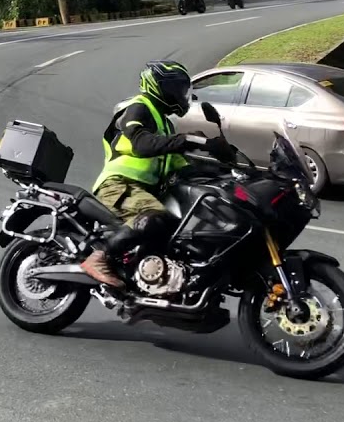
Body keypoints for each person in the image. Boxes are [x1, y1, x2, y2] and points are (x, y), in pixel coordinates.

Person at [80, 60, 234, 288]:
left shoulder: (165, 126)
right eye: (178, 89)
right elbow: (142, 143)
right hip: (119, 186)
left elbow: (182, 167)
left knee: (178, 229)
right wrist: (193, 140)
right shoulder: (138, 107)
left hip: (141, 190)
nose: (182, 95)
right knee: (154, 217)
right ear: (161, 86)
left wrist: (226, 170)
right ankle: (100, 257)